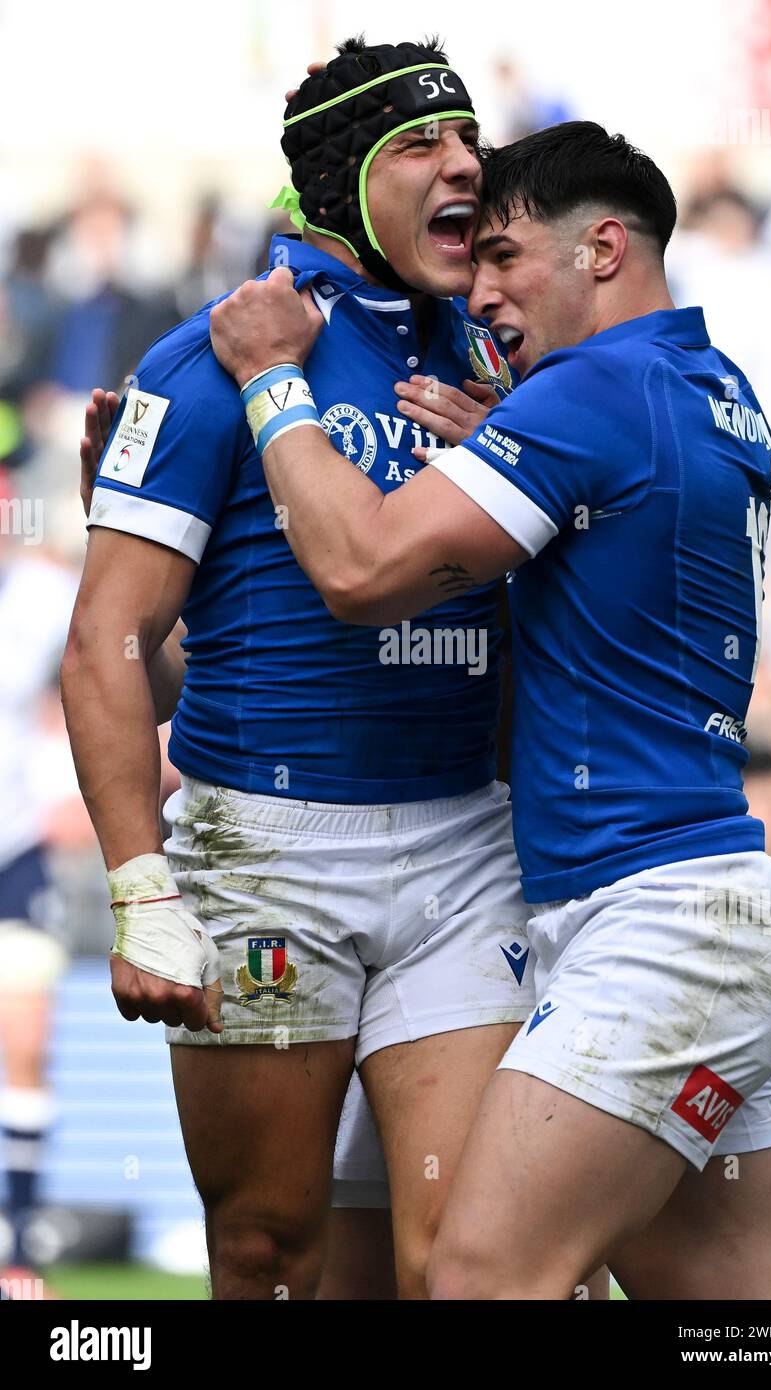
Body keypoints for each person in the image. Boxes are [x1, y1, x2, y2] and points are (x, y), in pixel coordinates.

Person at [208, 119, 771, 1300]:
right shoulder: (709, 387)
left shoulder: (587, 393)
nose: (476, 293)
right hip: (713, 911)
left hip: (656, 929)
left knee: (480, 1277)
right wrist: (510, 457)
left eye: (502, 257)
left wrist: (273, 384)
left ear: (599, 250)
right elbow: (612, 547)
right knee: (739, 1320)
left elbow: (359, 571)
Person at [62, 37, 537, 1302]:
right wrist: (138, 887)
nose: (466, 166)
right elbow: (104, 646)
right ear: (340, 179)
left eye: (469, 139)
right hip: (267, 850)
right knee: (272, 1255)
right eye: (423, 144)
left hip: (465, 852)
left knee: (468, 1266)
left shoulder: (501, 362)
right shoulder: (208, 361)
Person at [0, 472, 76, 1296]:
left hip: (14, 851)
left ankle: (18, 1250)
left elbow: (95, 661)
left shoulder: (43, 595)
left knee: (24, 1040)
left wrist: (65, 781)